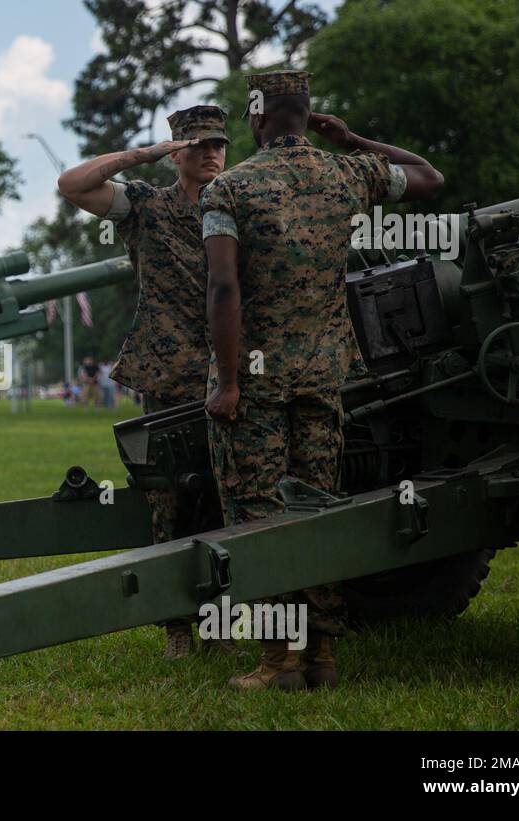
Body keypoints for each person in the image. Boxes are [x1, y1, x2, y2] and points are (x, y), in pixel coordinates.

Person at [202, 70, 444, 689]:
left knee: (260, 513)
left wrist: (227, 383)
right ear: (307, 117)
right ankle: (323, 658)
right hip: (324, 376)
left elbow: (224, 288)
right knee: (319, 508)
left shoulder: (230, 188)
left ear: (256, 119)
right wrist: (355, 138)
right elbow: (428, 177)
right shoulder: (348, 173)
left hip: (255, 385)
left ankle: (277, 661)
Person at [58, 104, 235, 657]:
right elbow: (72, 184)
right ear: (177, 150)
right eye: (199, 144)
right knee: (169, 501)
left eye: (219, 144)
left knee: (227, 499)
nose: (211, 153)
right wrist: (144, 154)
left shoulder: (238, 204)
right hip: (167, 374)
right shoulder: (146, 207)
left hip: (229, 371)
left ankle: (222, 624)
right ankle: (177, 626)